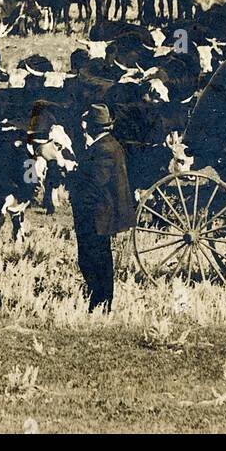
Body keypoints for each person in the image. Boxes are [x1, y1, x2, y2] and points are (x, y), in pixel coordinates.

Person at [69, 103, 135, 312]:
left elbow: (94, 184)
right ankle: (99, 303)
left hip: (96, 216)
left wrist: (72, 177)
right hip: (99, 215)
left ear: (92, 127)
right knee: (97, 260)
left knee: (93, 260)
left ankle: (100, 304)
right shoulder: (107, 145)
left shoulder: (103, 150)